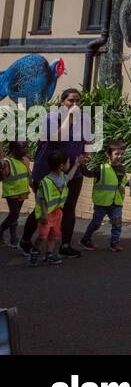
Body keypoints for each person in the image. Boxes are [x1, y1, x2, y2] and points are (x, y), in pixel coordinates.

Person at [19, 86, 90, 260]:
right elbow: (56, 137)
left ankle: (65, 245)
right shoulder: (51, 117)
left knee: (68, 208)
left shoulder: (85, 119)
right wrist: (70, 118)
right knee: (44, 208)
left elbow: (89, 141)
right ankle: (26, 240)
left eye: (77, 101)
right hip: (47, 174)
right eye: (70, 100)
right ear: (62, 101)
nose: (74, 103)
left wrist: (88, 154)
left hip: (73, 171)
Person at [81, 139, 131, 252]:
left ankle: (114, 243)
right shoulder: (101, 168)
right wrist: (82, 165)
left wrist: (128, 183)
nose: (120, 156)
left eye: (122, 153)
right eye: (116, 153)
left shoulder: (122, 169)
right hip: (102, 203)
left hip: (116, 202)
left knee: (117, 223)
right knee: (96, 224)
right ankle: (86, 239)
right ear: (108, 155)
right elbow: (88, 174)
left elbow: (120, 182)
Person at [30, 148, 70, 266]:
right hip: (47, 213)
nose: (69, 164)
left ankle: (49, 255)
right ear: (62, 165)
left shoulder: (62, 176)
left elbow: (70, 177)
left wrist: (77, 164)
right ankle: (34, 251)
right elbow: (41, 198)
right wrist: (43, 214)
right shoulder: (46, 181)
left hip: (57, 212)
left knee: (54, 235)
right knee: (42, 235)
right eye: (68, 162)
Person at [1, 141, 32, 249]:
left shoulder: (26, 160)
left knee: (15, 215)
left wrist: (35, 188)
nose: (25, 150)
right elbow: (2, 176)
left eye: (26, 147)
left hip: (22, 192)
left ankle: (13, 239)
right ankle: (2, 231)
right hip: (12, 192)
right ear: (14, 150)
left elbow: (29, 176)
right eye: (22, 148)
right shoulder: (7, 162)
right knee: (14, 214)